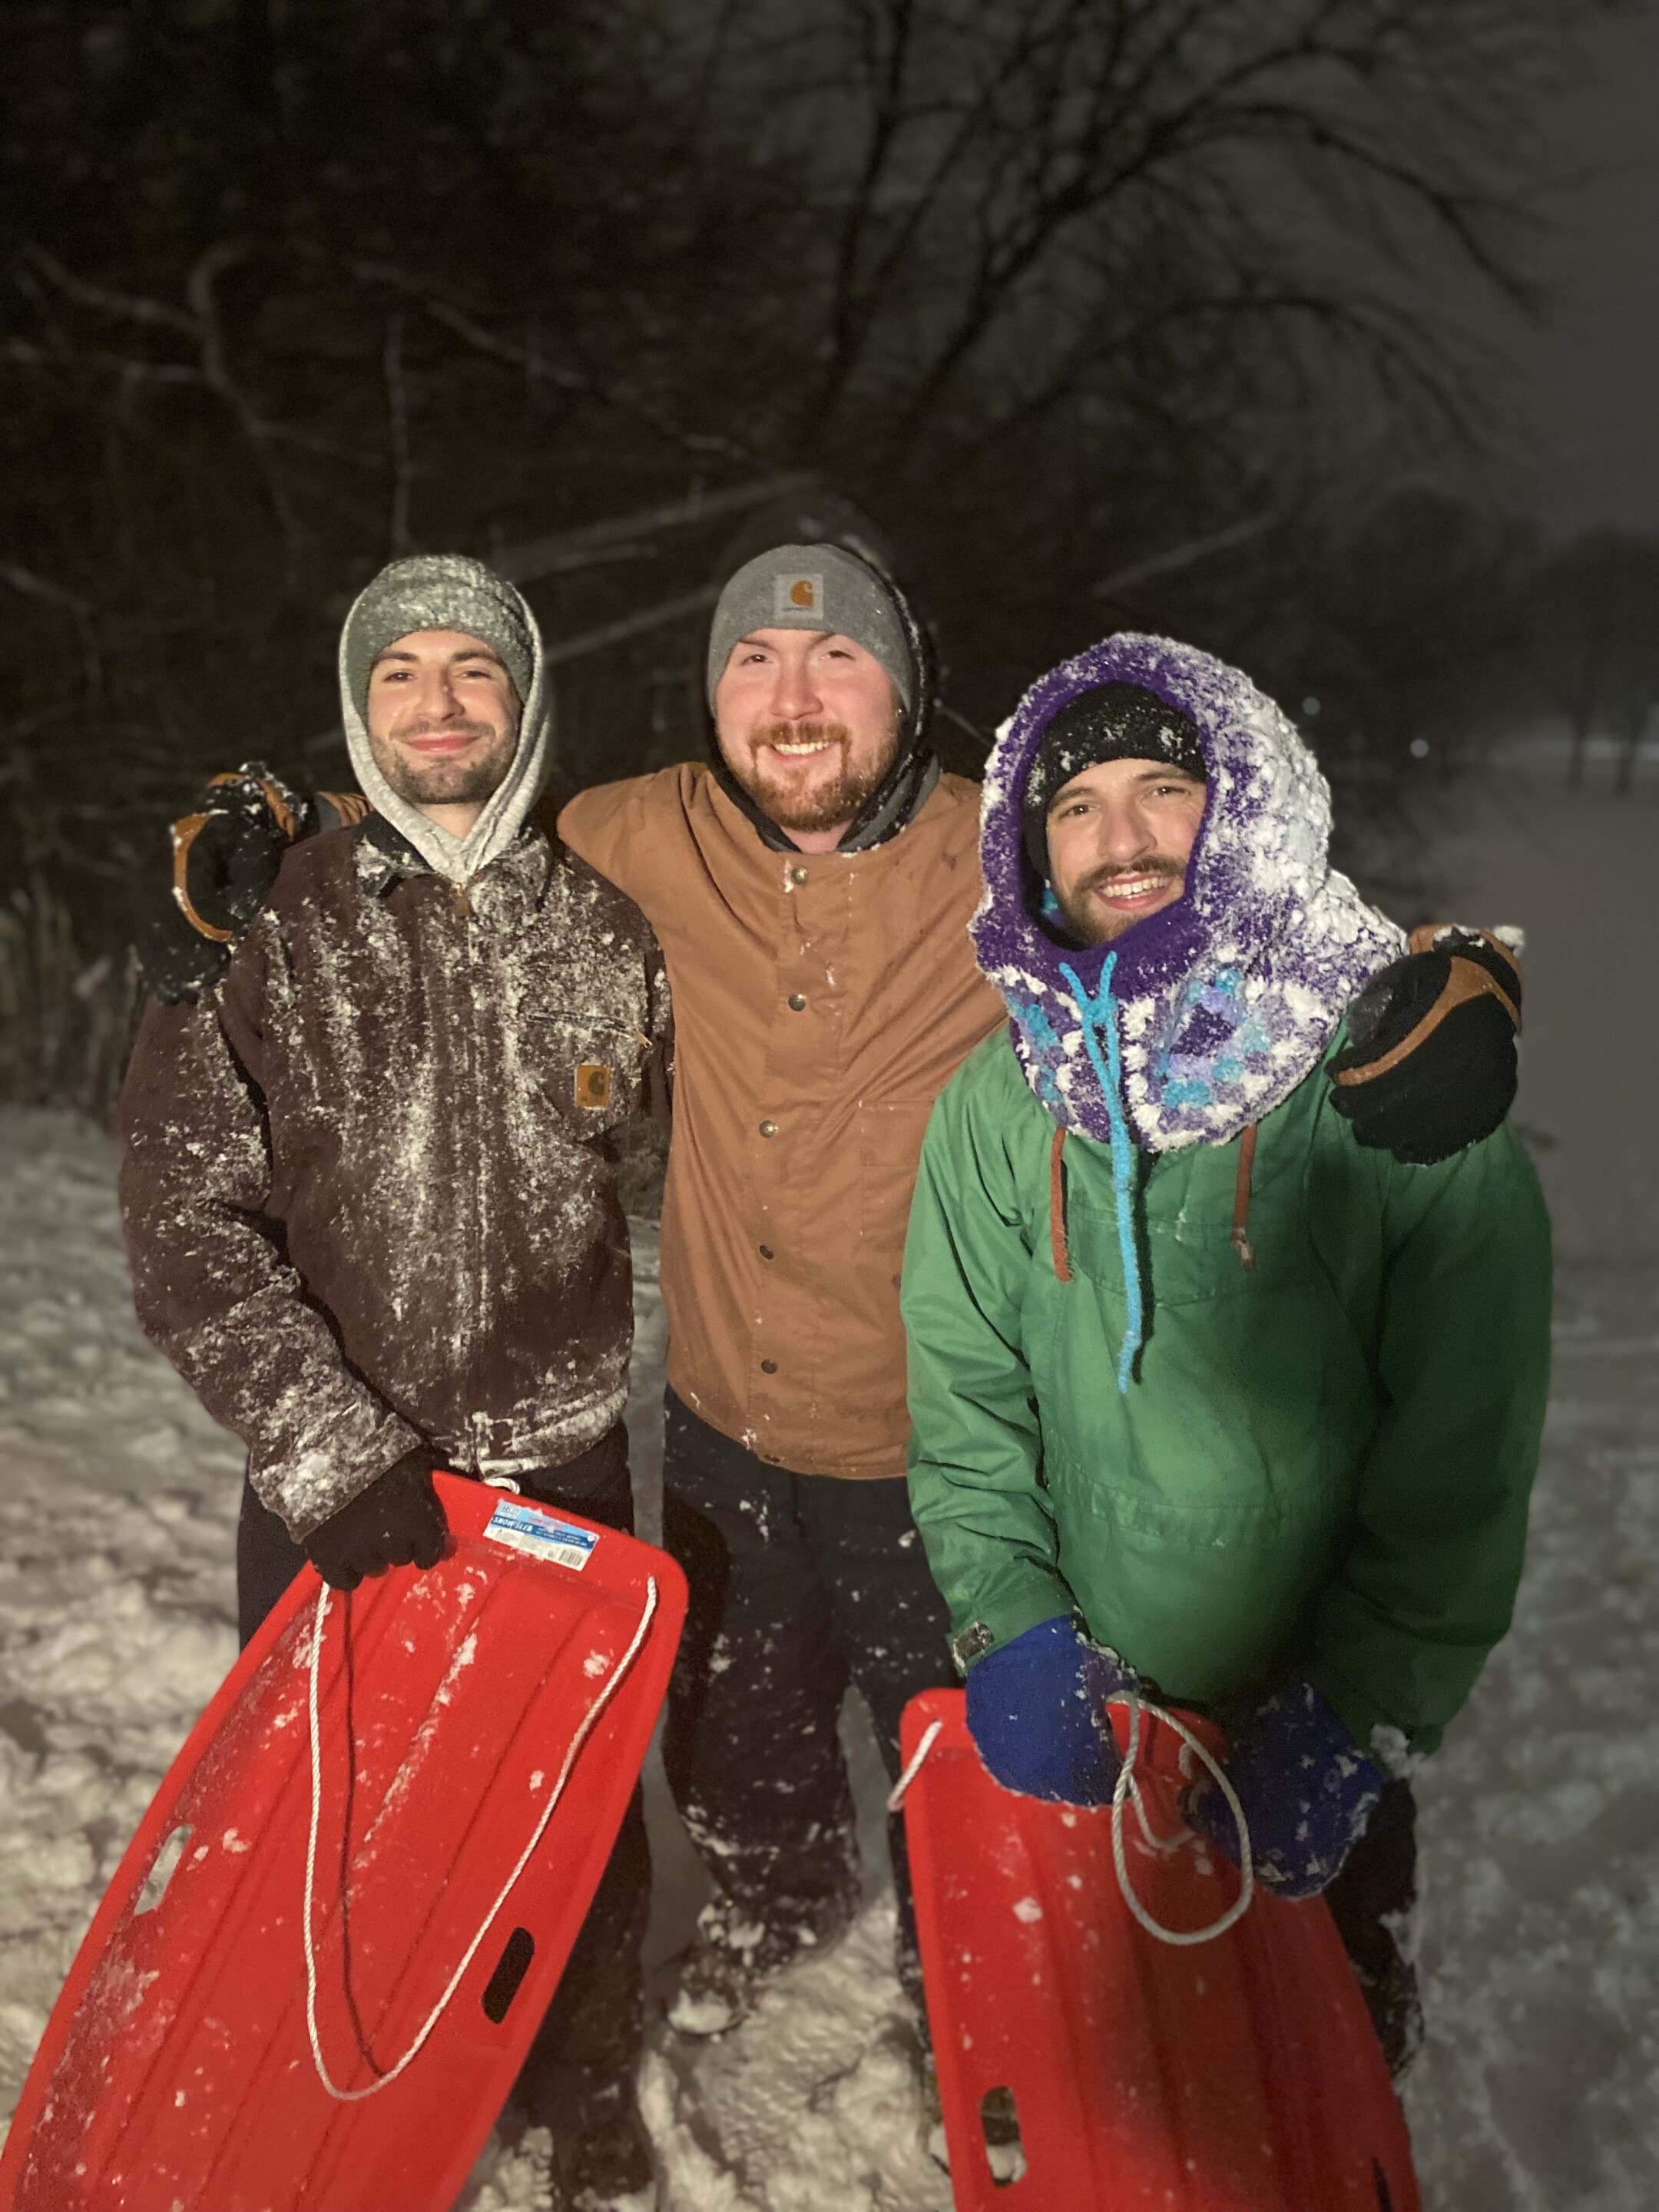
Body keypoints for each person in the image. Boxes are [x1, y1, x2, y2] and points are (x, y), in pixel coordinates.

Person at [137, 541, 1525, 2068]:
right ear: (712, 699)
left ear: (909, 686)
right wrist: (286, 824)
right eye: (754, 664)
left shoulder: (997, 853)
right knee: (735, 1737)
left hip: (929, 1438)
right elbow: (451, 806)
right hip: (723, 1420)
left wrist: (1458, 970)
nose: (792, 702)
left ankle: (973, 2001)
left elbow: (1218, 902)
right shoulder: (634, 835)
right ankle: (765, 1910)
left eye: (837, 662)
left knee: (971, 1764)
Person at [899, 640, 1551, 2072]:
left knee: (1315, 2081)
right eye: (1075, 807)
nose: (1120, 838)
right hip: (1106, 1695)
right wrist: (1007, 1620)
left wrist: (1366, 1707)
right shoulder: (997, 1105)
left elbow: (1465, 1443)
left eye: (1164, 788)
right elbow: (964, 1400)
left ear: (1246, 801)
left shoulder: (1390, 1079)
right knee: (1141, 2082)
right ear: (1029, 845)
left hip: (1313, 1707)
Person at [119, 555, 672, 2212]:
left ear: (528, 699)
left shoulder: (605, 928)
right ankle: (335, 2074)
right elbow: (180, 1220)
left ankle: (579, 2087)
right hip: (339, 1485)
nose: (441, 705)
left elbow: (673, 1161)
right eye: (403, 674)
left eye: (475, 672)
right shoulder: (256, 923)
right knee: (325, 1810)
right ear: (360, 708)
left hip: (561, 1470)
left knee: (571, 1815)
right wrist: (328, 1447)